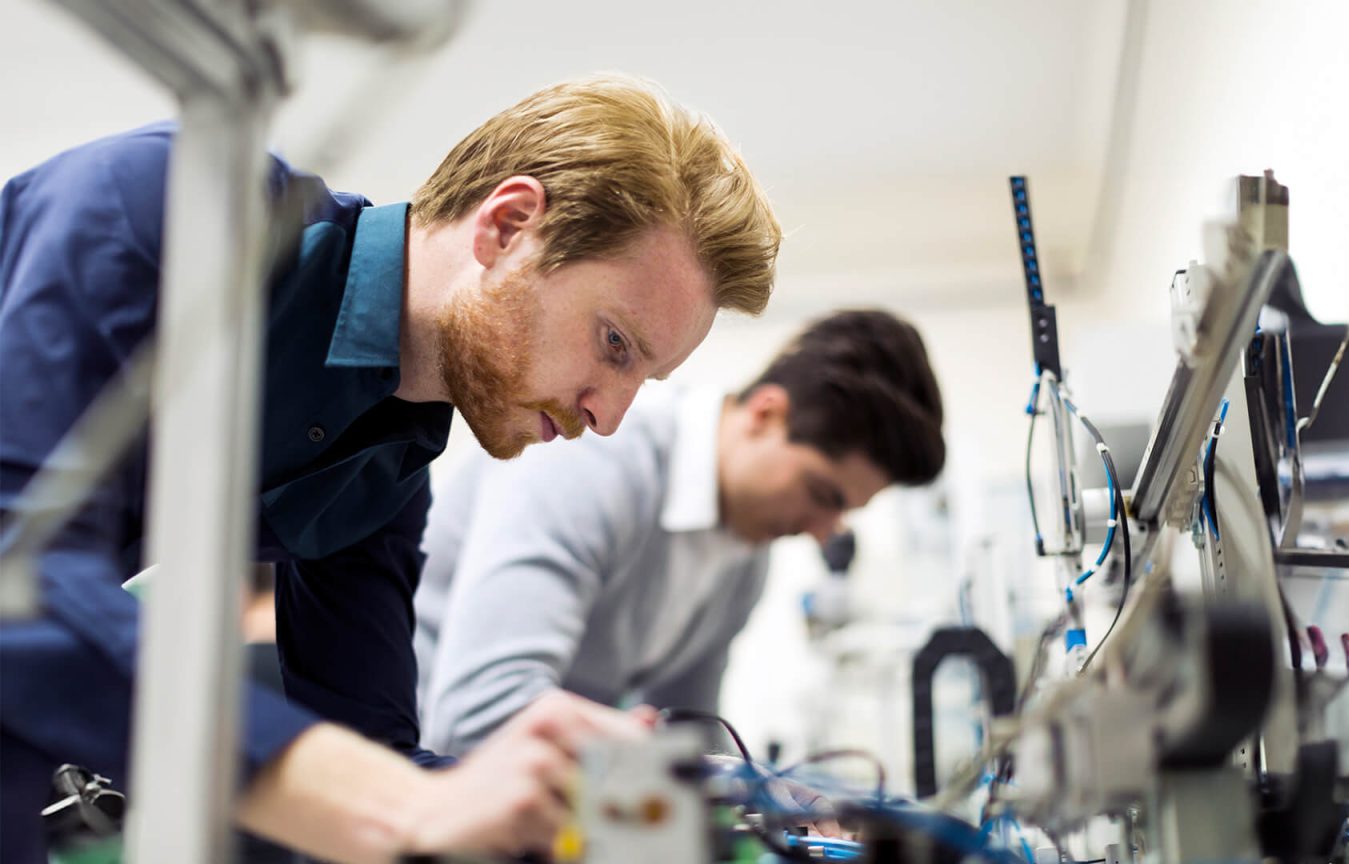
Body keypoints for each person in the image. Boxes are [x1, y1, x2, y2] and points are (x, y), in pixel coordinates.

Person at [0, 74, 780, 862]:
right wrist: (394, 804)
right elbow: (20, 586)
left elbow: (370, 751)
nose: (607, 416)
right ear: (508, 226)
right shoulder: (167, 207)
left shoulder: (389, 468)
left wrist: (635, 810)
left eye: (642, 381)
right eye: (614, 344)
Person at [413, 309, 945, 756]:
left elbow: (691, 731)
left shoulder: (744, 556)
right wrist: (711, 780)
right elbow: (477, 716)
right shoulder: (594, 457)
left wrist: (761, 793)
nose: (824, 533)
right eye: (824, 495)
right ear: (766, 413)